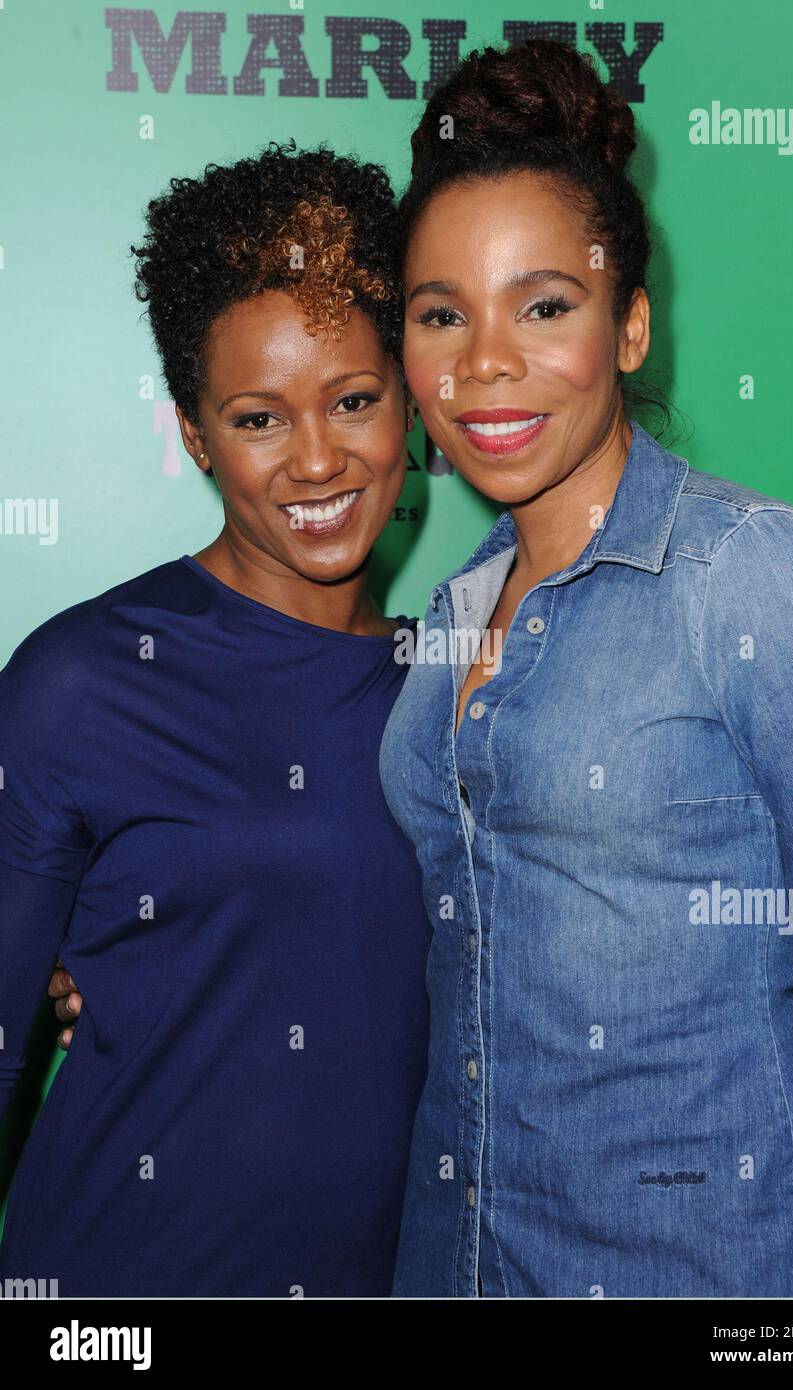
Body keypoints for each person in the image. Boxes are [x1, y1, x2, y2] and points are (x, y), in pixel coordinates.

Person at [376, 38, 793, 1297]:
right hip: (460, 1258)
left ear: (630, 326)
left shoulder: (744, 572)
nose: (483, 361)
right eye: (441, 313)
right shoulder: (450, 612)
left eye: (543, 305)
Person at [0, 140, 432, 1297]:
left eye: (352, 399)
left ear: (410, 399)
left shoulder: (461, 680)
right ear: (195, 436)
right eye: (257, 418)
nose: (318, 459)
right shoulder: (81, 679)